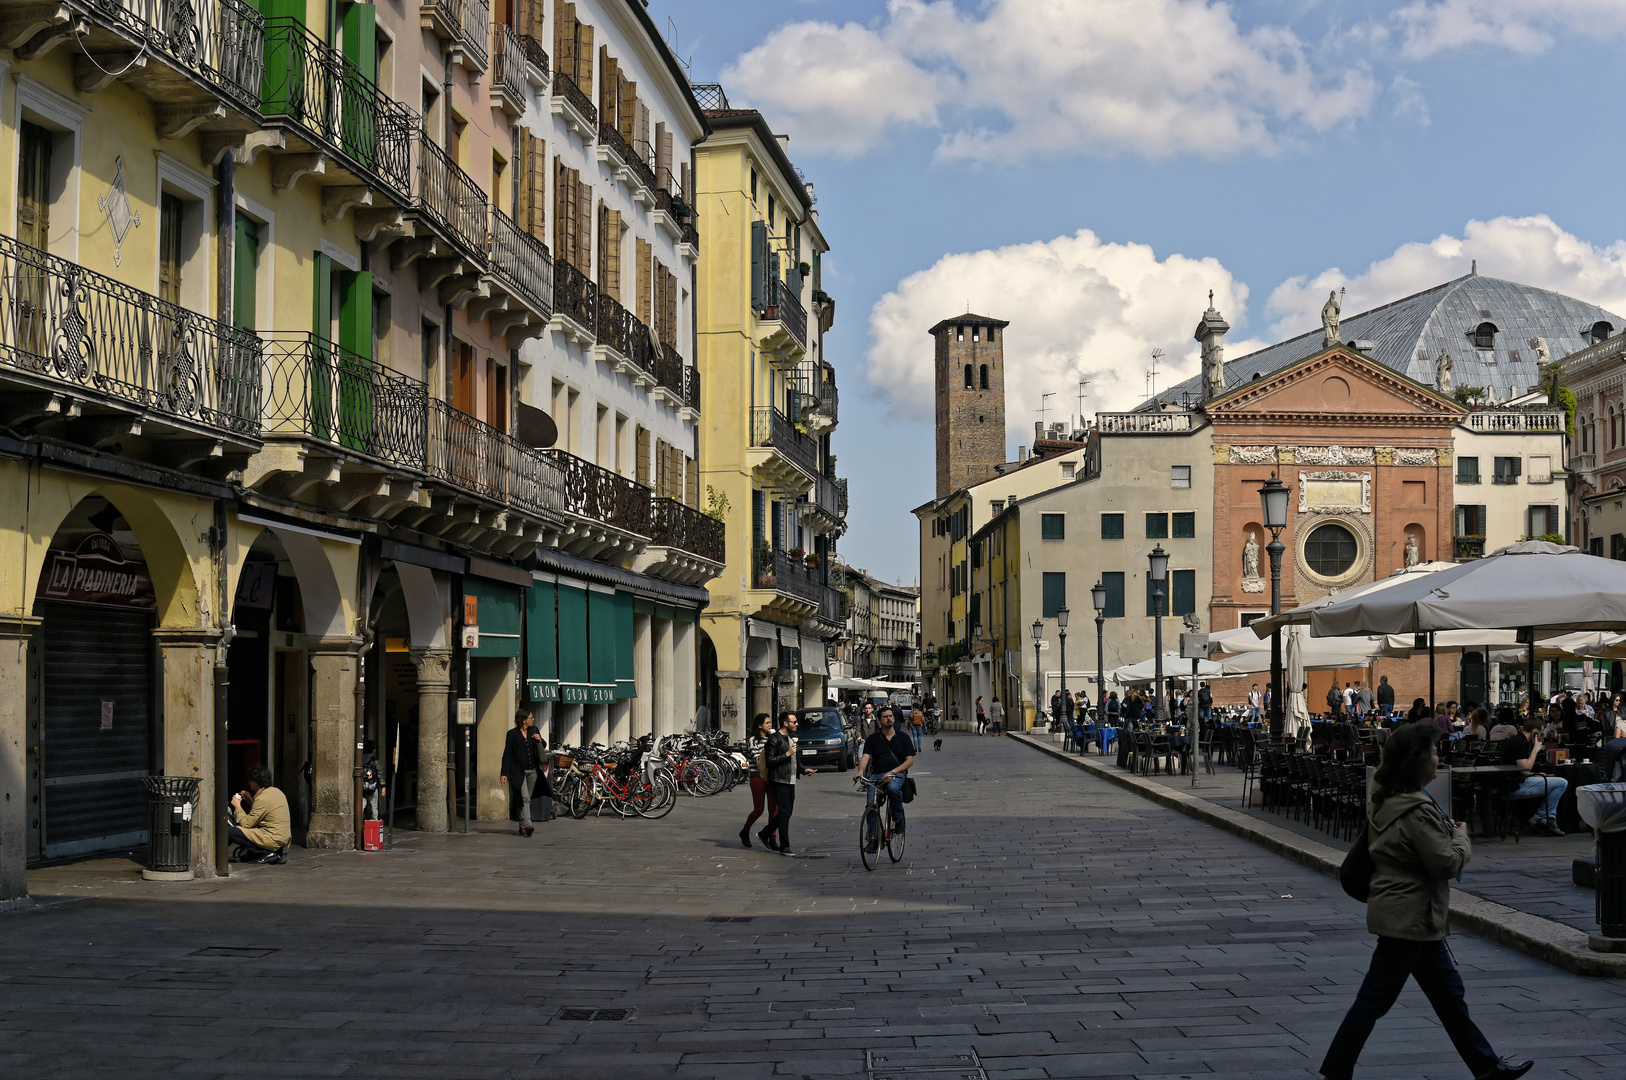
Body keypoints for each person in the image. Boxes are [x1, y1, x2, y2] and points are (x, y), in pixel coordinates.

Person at [1318, 722, 1533, 1080]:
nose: (1438, 757)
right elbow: (1444, 863)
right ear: (1418, 762)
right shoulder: (1416, 810)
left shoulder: (1388, 800)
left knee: (1449, 996)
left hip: (1414, 916)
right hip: (1409, 918)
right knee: (1374, 1000)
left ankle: (1486, 1067)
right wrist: (1462, 838)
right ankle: (1336, 1069)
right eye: (1434, 752)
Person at [855, 705, 917, 842]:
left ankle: (899, 819)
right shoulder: (873, 739)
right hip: (877, 775)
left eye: (891, 716)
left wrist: (893, 772)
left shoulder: (903, 738)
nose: (889, 719)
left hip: (897, 774)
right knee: (871, 803)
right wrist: (860, 771)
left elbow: (910, 760)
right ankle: (872, 836)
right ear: (879, 720)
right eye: (885, 717)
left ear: (894, 718)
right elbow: (865, 757)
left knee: (893, 789)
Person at [1499, 715, 1567, 836]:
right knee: (1561, 783)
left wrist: (1533, 774)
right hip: (1515, 786)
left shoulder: (1517, 739)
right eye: (1541, 733)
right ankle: (1541, 817)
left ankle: (1548, 818)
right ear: (1535, 732)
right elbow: (1525, 769)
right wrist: (1535, 750)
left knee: (1551, 780)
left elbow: (1520, 769)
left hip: (1512, 782)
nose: (1541, 736)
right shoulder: (1520, 742)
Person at [759, 712, 815, 855]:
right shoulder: (774, 739)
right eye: (794, 722)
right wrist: (787, 754)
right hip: (778, 780)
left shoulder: (790, 739)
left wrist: (803, 770)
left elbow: (794, 761)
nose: (797, 724)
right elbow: (770, 762)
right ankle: (784, 846)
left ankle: (764, 834)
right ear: (785, 723)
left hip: (790, 780)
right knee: (784, 812)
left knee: (787, 812)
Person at [227, 764, 291, 863]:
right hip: (281, 837)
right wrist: (251, 801)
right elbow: (265, 812)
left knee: (229, 832)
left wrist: (237, 806)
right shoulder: (277, 792)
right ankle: (267, 852)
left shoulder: (262, 798)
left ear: (256, 782)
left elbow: (247, 824)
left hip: (272, 838)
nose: (249, 783)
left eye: (250, 781)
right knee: (249, 832)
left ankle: (265, 852)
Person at [500, 706, 548, 836]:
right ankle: (528, 824)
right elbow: (507, 754)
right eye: (530, 717)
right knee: (524, 797)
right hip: (517, 771)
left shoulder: (534, 730)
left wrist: (540, 740)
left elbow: (542, 746)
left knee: (526, 799)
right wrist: (504, 773)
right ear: (523, 720)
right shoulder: (512, 734)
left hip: (533, 770)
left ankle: (522, 826)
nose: (533, 719)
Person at [740, 713, 778, 848]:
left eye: (770, 722)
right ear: (760, 725)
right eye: (767, 723)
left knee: (774, 809)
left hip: (772, 777)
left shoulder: (771, 738)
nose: (770, 725)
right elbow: (757, 759)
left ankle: (772, 838)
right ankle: (745, 830)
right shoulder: (752, 740)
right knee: (759, 809)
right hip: (758, 776)